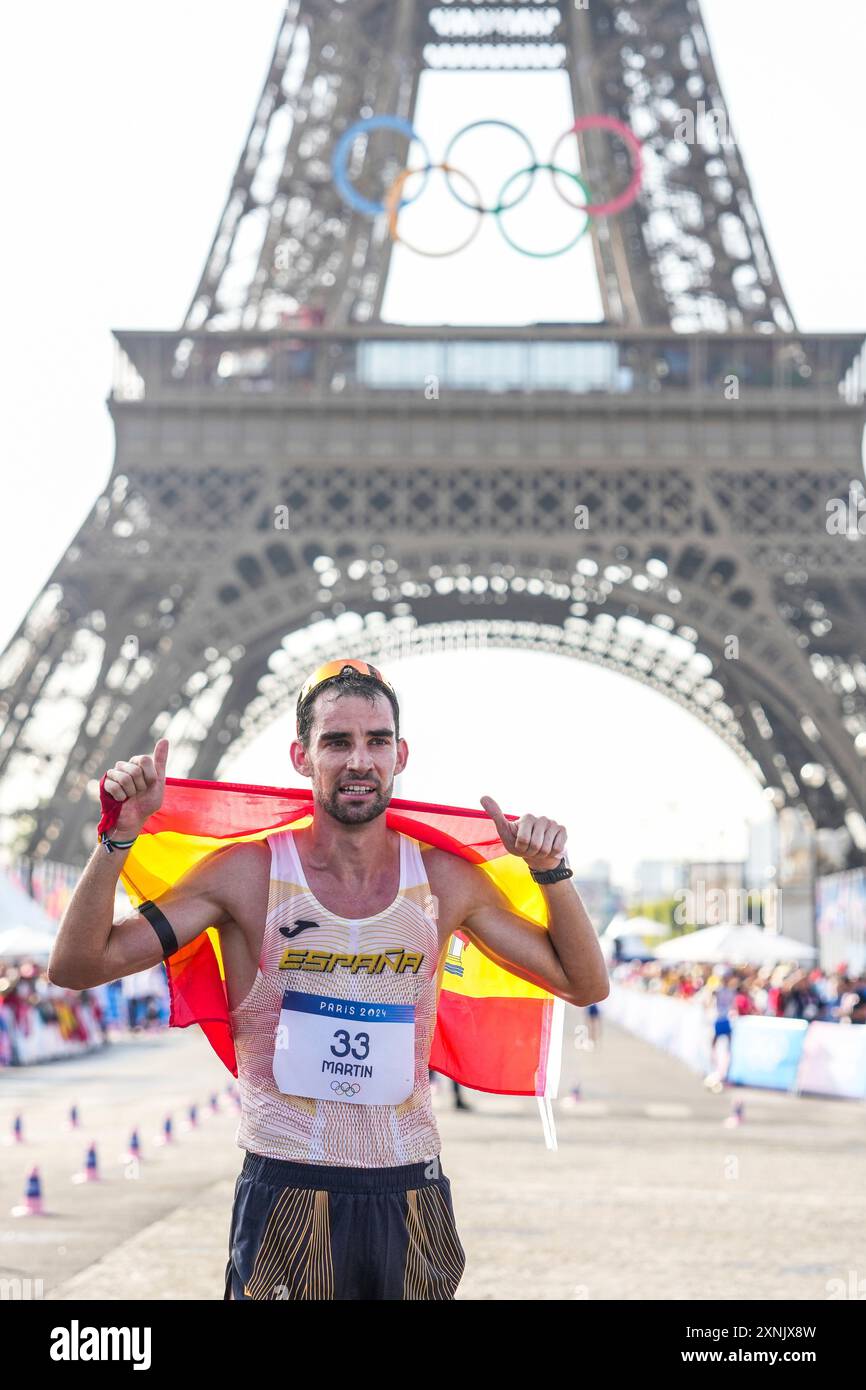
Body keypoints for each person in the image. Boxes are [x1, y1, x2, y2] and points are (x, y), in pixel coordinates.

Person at [48, 658, 609, 1301]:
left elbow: (583, 984)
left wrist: (552, 873)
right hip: (285, 1186)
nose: (359, 760)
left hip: (408, 1189)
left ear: (400, 754)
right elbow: (79, 965)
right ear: (301, 755)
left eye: (376, 741)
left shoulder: (445, 880)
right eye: (337, 742)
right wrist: (117, 838)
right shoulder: (246, 875)